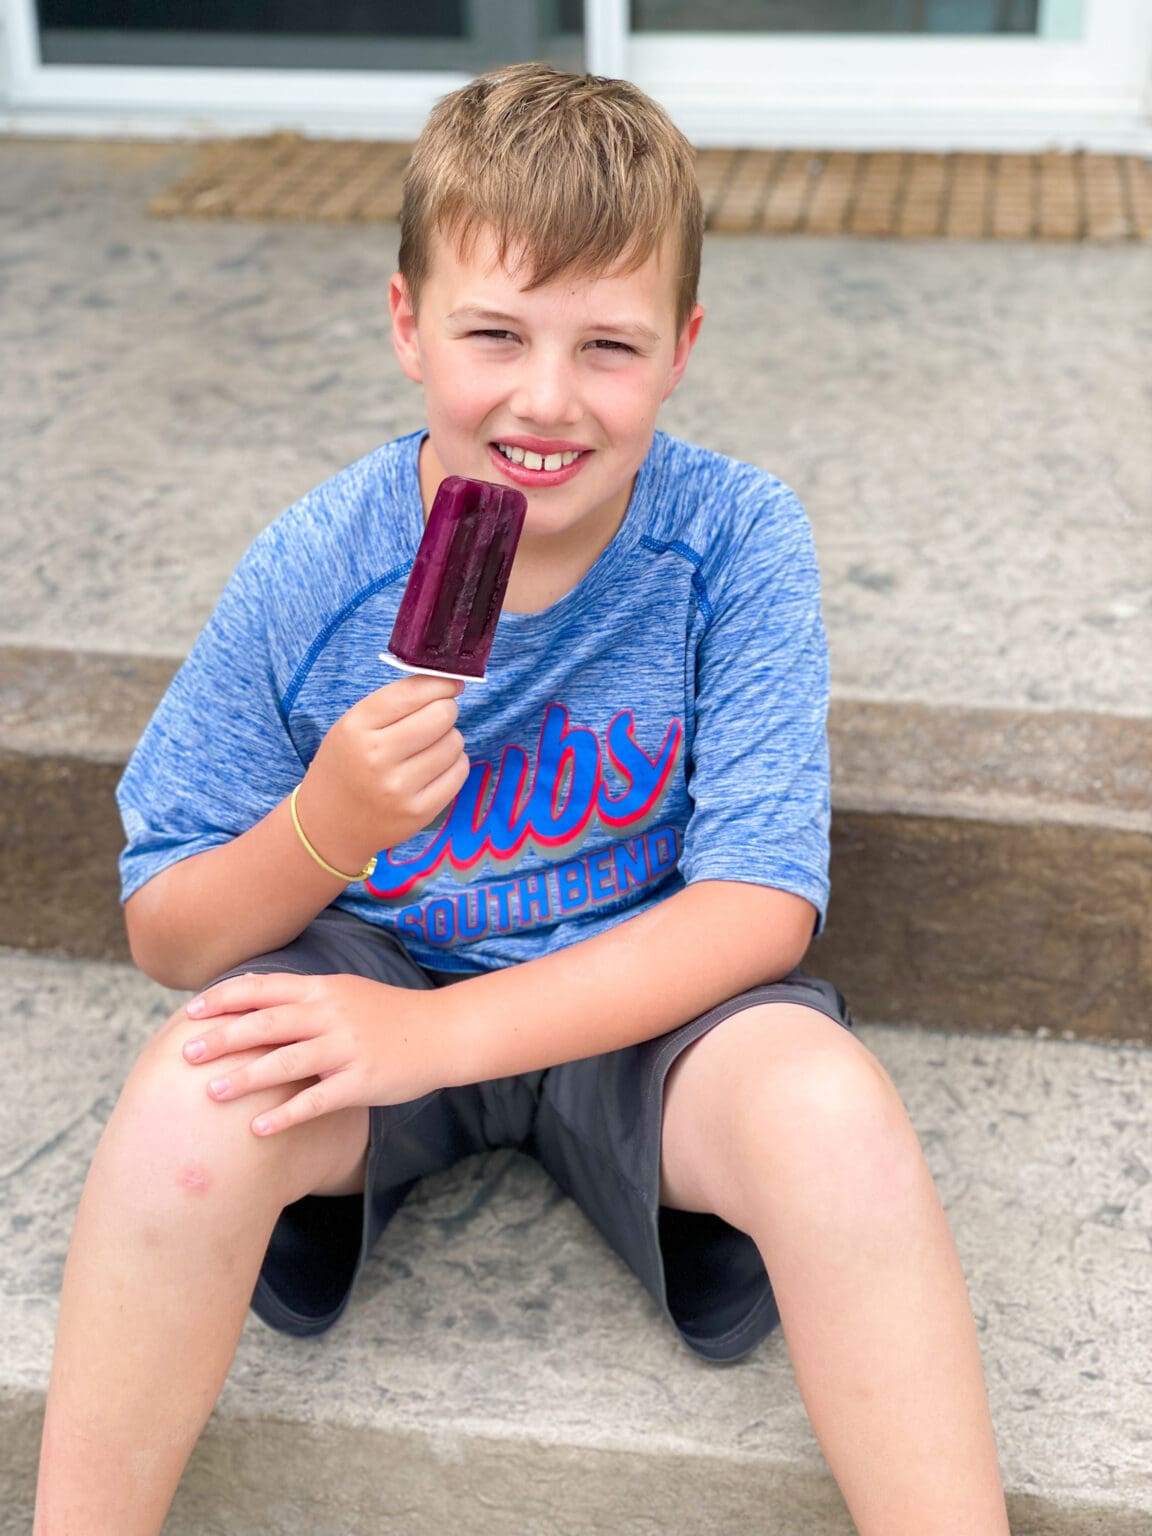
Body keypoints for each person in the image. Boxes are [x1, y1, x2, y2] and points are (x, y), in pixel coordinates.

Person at [34, 62, 1010, 1536]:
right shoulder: (317, 567)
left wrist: (444, 1036)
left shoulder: (732, 541)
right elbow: (170, 933)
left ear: (681, 349)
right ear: (408, 326)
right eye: (495, 333)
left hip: (645, 999)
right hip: (368, 965)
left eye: (607, 345)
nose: (545, 399)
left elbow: (759, 902)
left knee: (837, 1119)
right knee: (187, 1106)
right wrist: (325, 828)